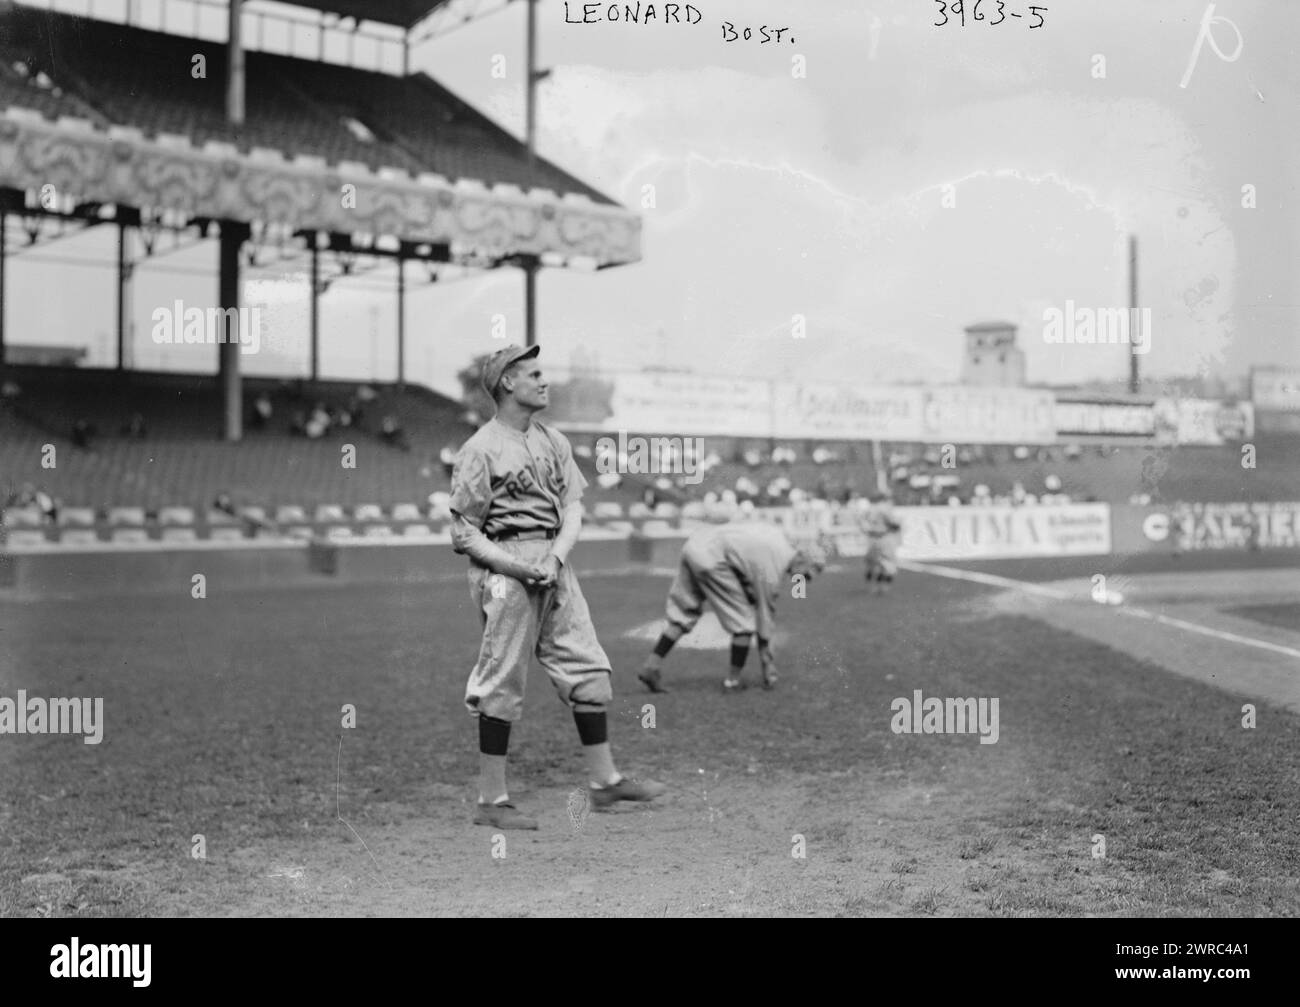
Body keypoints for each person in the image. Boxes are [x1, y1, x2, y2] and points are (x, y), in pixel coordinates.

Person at [449, 344, 666, 830]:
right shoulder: (480, 448)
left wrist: (556, 557)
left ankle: (605, 784)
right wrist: (518, 568)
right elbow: (464, 532)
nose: (545, 382)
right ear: (508, 383)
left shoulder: (555, 441)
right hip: (507, 567)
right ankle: (491, 800)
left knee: (588, 668)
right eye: (535, 374)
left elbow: (573, 508)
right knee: (502, 680)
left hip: (554, 560)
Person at [638, 522, 826, 694]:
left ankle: (651, 667)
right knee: (744, 624)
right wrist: (767, 665)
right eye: (809, 572)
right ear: (802, 558)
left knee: (684, 613)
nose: (805, 579)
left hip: (695, 545)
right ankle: (732, 682)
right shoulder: (774, 566)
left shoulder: (778, 540)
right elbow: (764, 615)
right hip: (714, 557)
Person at [861, 494, 902, 594]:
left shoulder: (868, 509)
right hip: (883, 537)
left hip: (872, 538)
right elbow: (894, 524)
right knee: (888, 562)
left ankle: (870, 586)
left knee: (872, 563)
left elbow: (862, 523)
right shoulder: (884, 509)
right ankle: (883, 587)